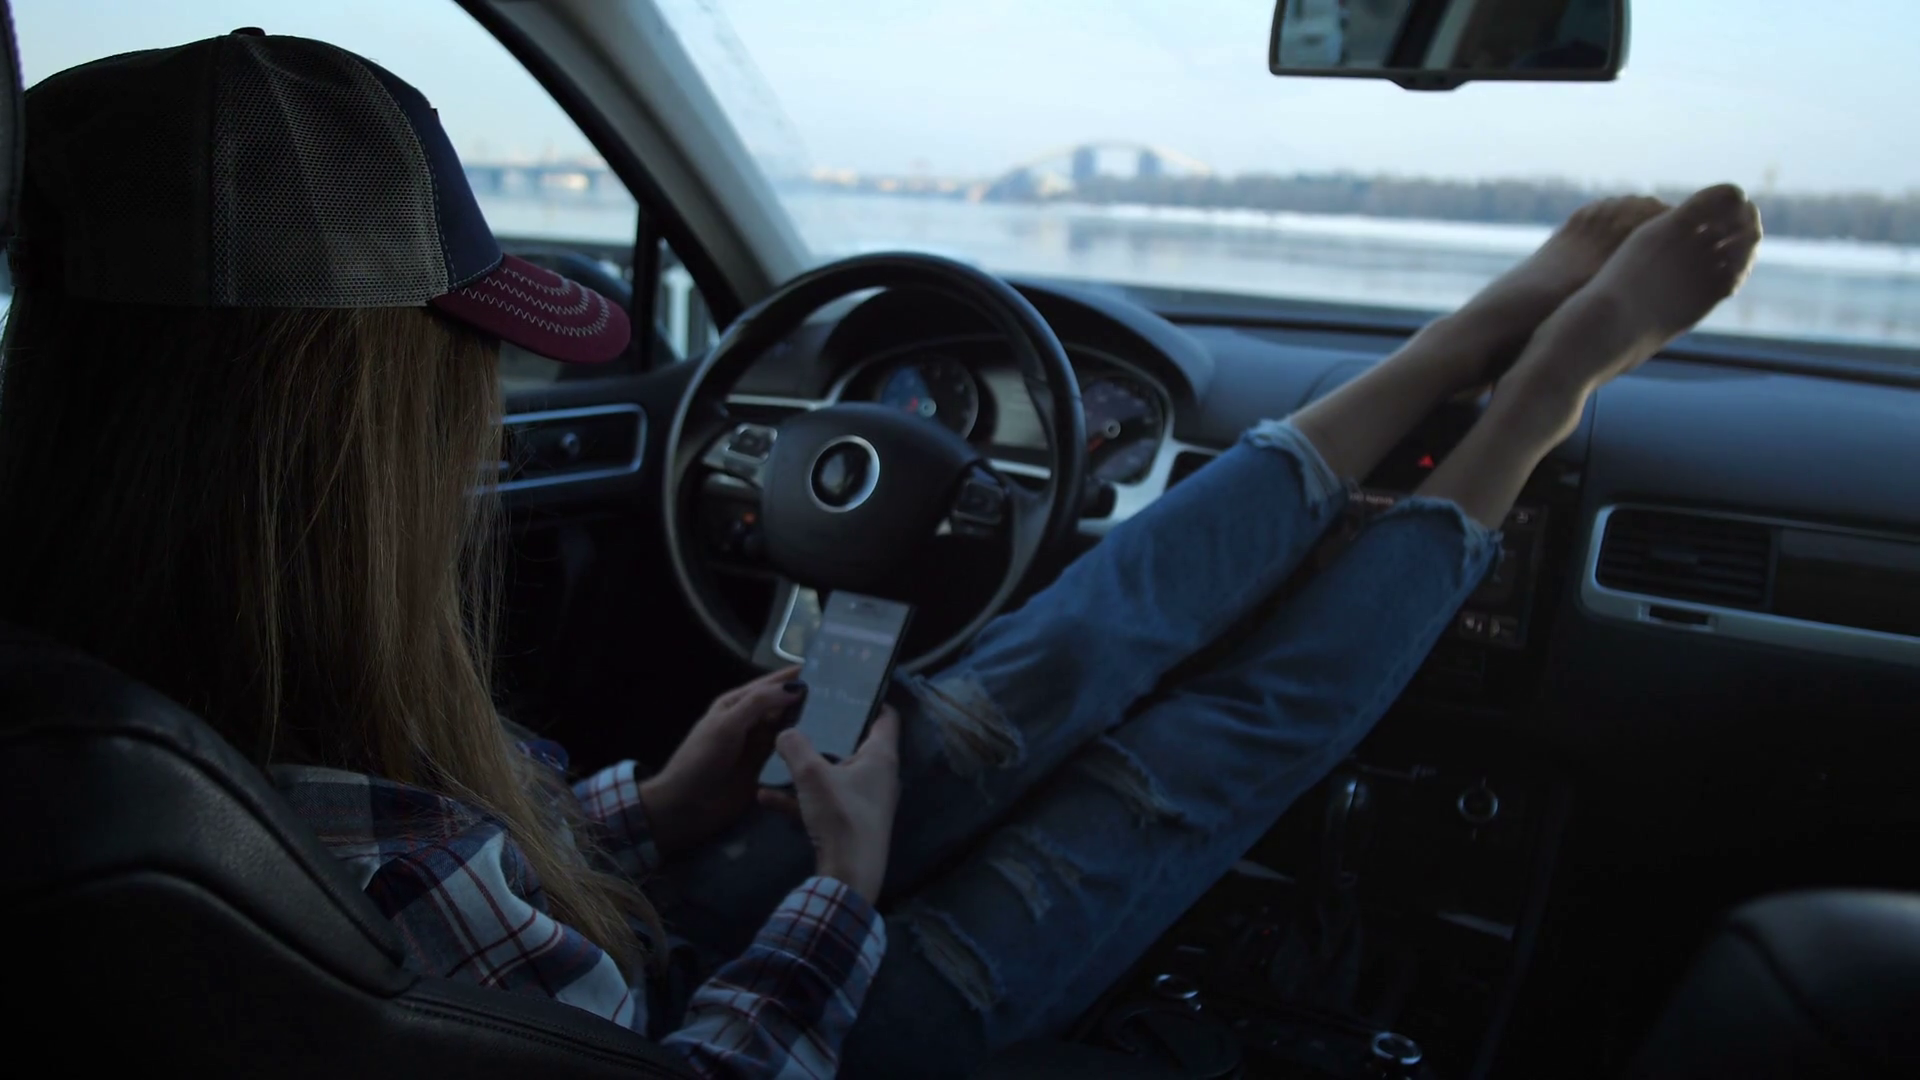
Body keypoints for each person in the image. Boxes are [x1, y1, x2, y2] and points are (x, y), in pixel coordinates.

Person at [0, 30, 1762, 1080]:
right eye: (476, 366)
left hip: (631, 952)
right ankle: (1510, 408)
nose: (491, 415)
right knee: (1160, 771)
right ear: (356, 444)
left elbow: (448, 925)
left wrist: (653, 808)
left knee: (1009, 693)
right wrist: (839, 896)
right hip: (772, 1030)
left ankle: (1458, 372)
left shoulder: (108, 731)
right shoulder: (362, 827)